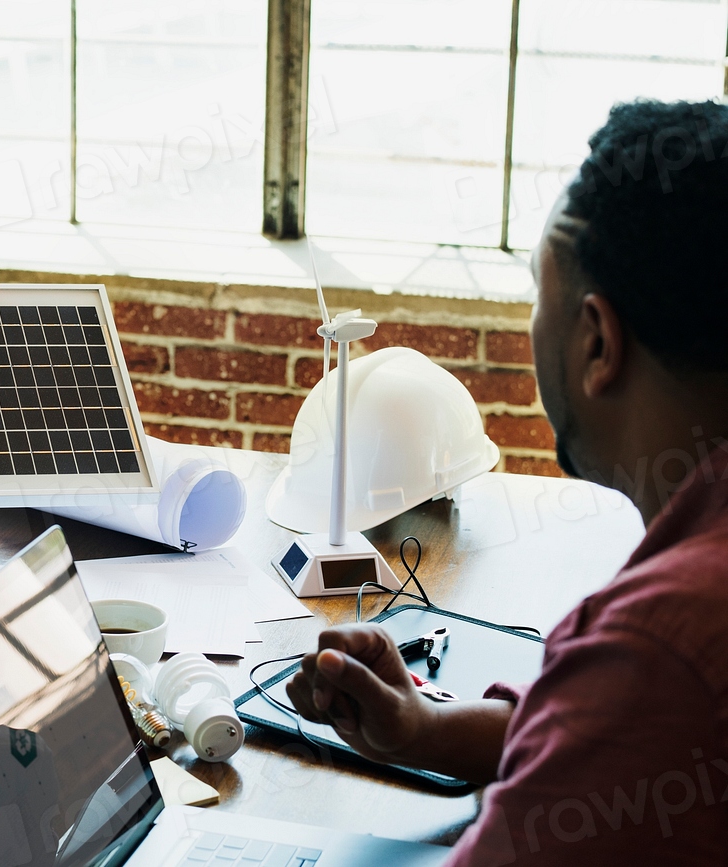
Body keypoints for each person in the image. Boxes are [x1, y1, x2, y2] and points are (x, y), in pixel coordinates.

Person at [287, 98, 728, 863]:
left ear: (597, 342)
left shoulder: (660, 646)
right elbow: (602, 733)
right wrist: (424, 728)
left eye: (535, 292)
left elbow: (637, 710)